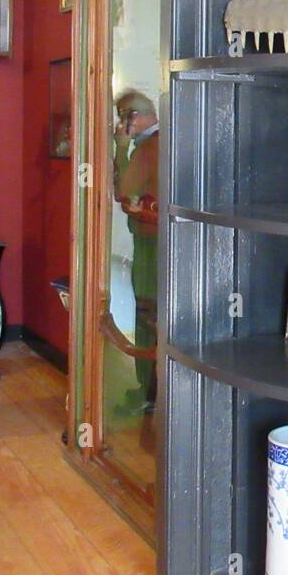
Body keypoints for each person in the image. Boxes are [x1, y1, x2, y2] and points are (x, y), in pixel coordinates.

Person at [114, 89, 158, 411]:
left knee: (146, 312)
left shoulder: (147, 148)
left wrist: (120, 146)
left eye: (122, 116)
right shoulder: (166, 140)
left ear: (133, 117)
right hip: (161, 236)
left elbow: (124, 192)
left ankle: (147, 392)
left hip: (149, 239)